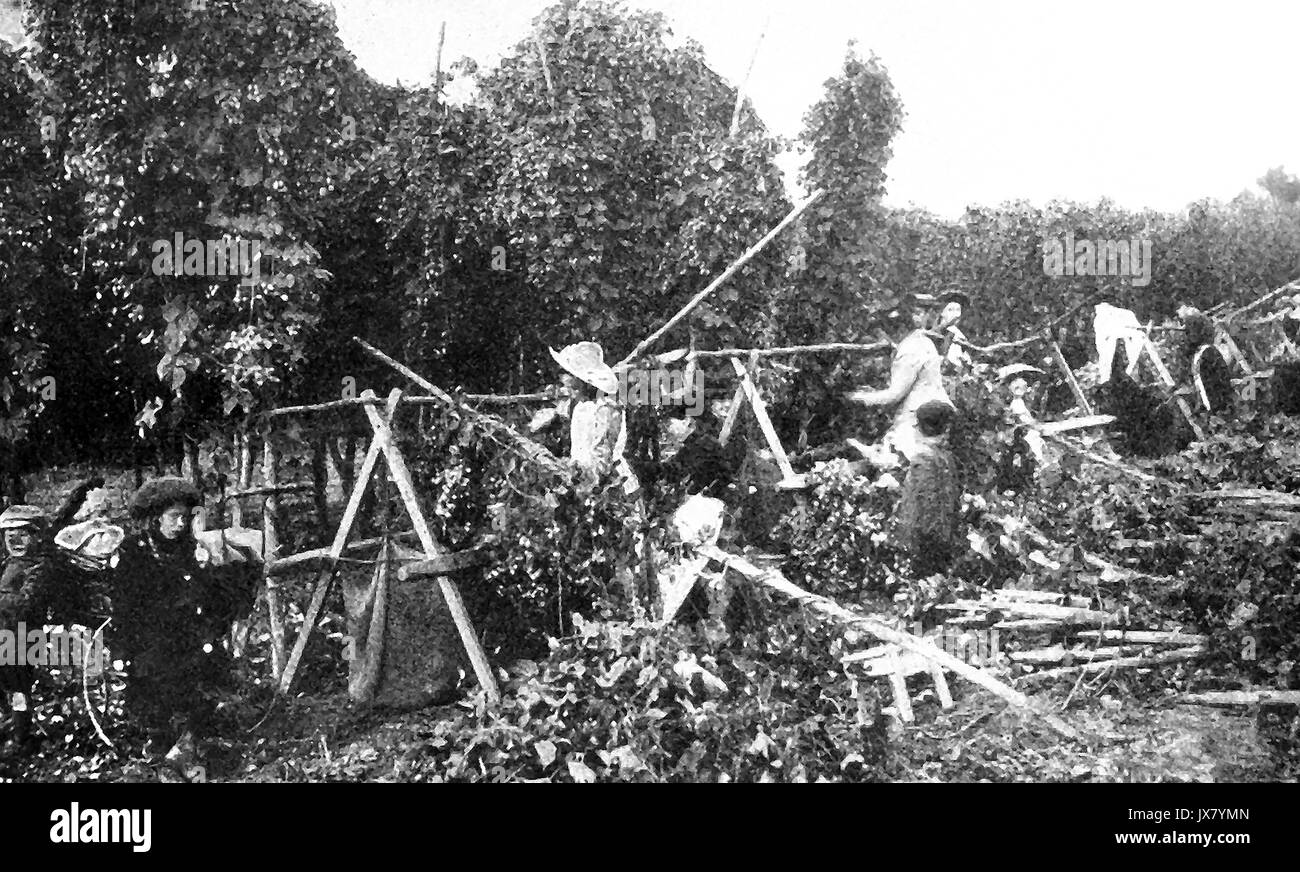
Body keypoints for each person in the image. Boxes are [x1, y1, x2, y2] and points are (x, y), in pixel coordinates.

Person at [109, 477, 258, 771]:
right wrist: (122, 653)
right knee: (157, 691)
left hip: (188, 636)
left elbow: (207, 596)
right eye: (173, 517)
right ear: (156, 518)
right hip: (150, 641)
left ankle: (194, 741)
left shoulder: (191, 548)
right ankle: (161, 745)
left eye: (184, 517)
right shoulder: (132, 552)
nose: (180, 524)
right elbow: (124, 610)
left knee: (207, 679)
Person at [847, 293, 957, 468]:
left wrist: (857, 398)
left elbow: (895, 394)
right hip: (934, 414)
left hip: (920, 420)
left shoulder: (910, 348)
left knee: (894, 465)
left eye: (881, 330)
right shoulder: (923, 342)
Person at [0, 504, 51, 754]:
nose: (14, 540)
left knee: (19, 688)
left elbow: (27, 603)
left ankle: (22, 736)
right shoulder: (8, 563)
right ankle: (10, 721)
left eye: (23, 533)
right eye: (9, 535)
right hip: (4, 634)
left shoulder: (39, 568)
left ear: (37, 537)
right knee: (7, 685)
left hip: (24, 637)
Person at [894, 401, 961, 576]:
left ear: (920, 427)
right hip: (943, 536)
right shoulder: (946, 457)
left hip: (925, 539)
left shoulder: (923, 459)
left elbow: (919, 506)